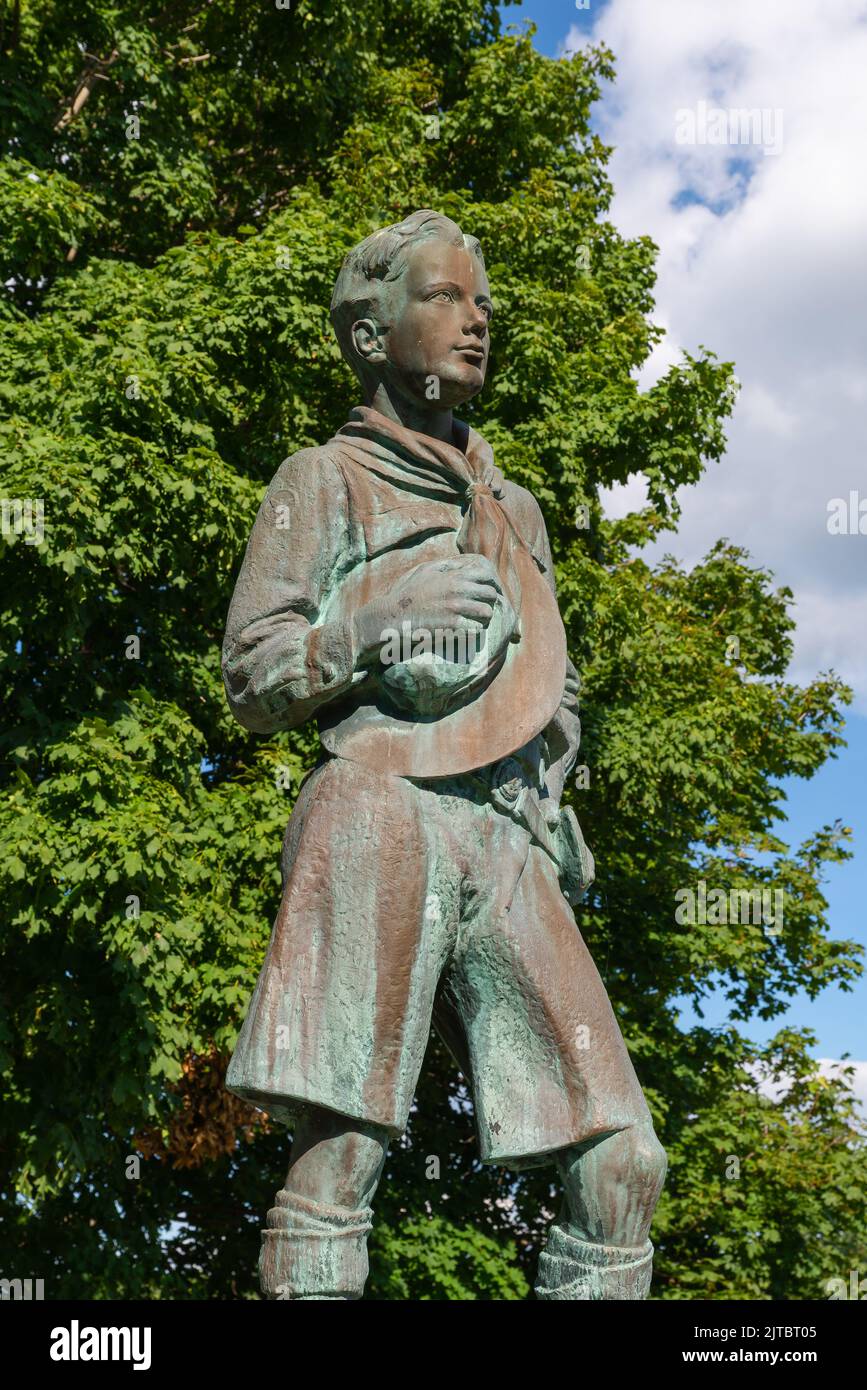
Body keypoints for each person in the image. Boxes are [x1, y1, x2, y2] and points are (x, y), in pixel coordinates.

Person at [222, 210, 667, 1300]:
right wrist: (375, 627)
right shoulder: (321, 479)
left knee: (623, 1162)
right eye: (446, 299)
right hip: (378, 805)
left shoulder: (516, 509)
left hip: (505, 833)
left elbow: (549, 686)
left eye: (484, 306)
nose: (476, 323)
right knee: (345, 1149)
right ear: (372, 335)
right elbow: (254, 671)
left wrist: (554, 752)